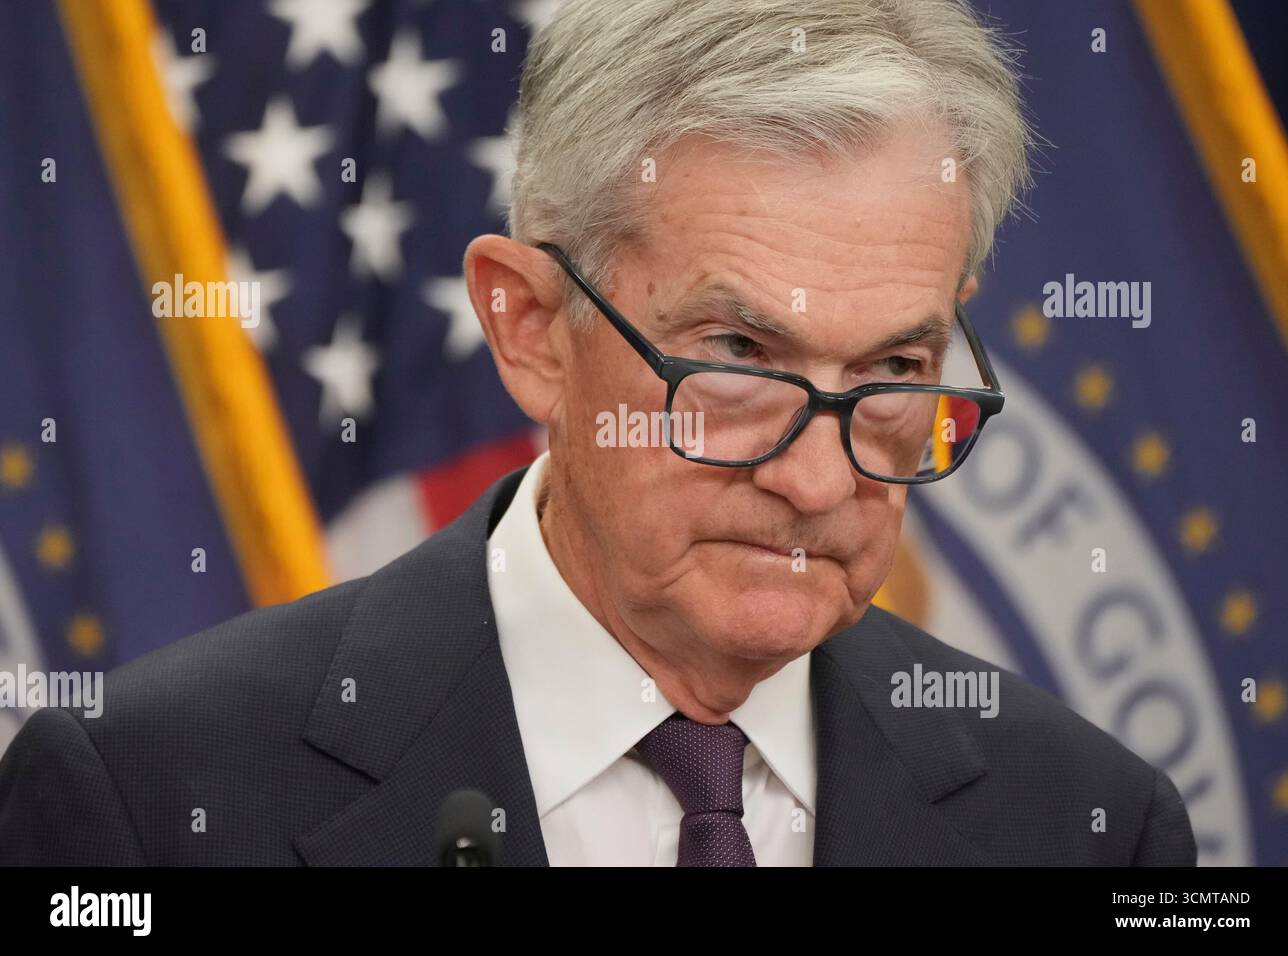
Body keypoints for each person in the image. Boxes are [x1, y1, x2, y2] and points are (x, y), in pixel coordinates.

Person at [0, 0, 1195, 866]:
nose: (820, 474)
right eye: (735, 357)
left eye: (892, 368)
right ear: (528, 327)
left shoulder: (1090, 823)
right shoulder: (151, 798)